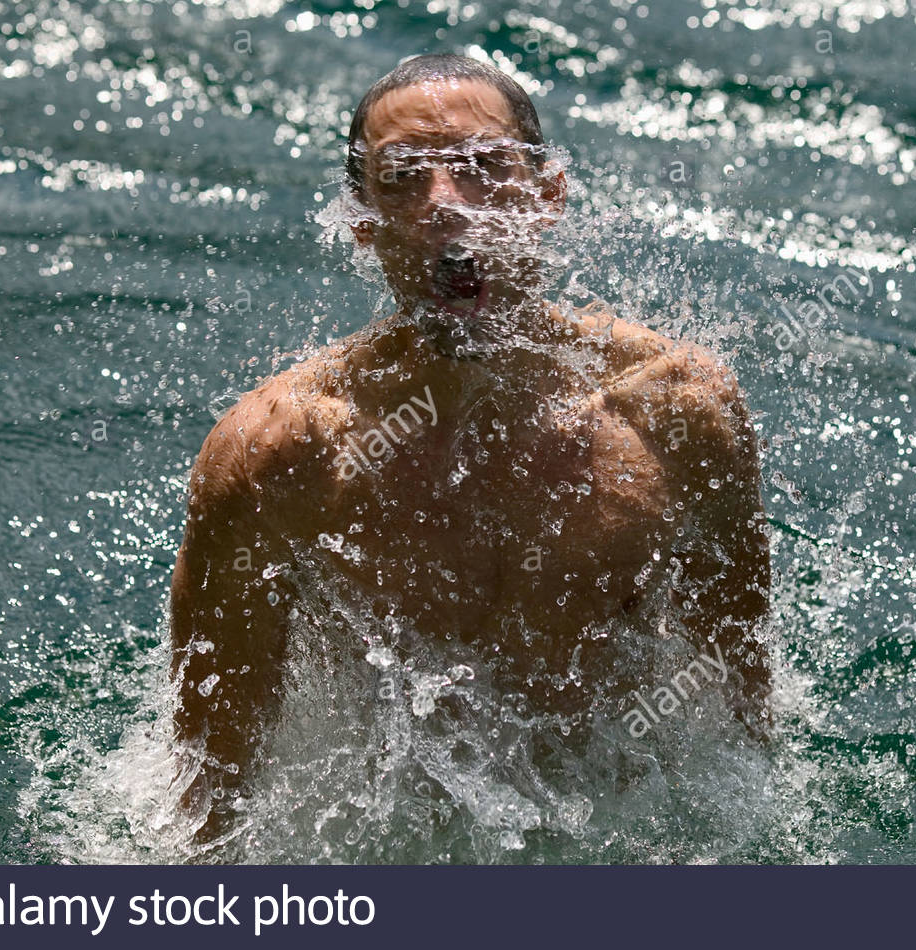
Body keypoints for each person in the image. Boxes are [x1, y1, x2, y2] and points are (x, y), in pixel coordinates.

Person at [168, 53, 770, 822]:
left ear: (549, 196)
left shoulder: (677, 414)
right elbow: (205, 795)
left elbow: (747, 727)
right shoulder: (281, 454)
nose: (445, 204)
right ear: (359, 220)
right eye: (403, 177)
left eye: (484, 167)